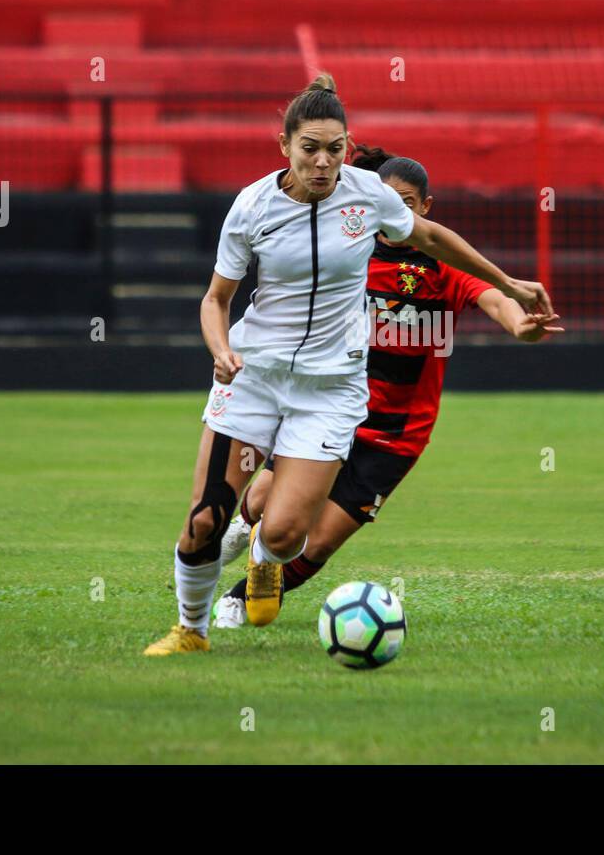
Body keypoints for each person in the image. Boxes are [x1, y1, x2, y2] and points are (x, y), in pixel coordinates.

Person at [144, 75, 553, 655]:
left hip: (330, 389)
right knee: (206, 520)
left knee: (286, 536)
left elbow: (432, 237)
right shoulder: (250, 207)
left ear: (347, 147)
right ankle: (191, 631)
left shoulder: (367, 194)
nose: (322, 161)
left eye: (335, 149)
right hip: (254, 380)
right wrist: (220, 350)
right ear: (284, 144)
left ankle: (264, 560)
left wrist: (507, 282)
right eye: (310, 147)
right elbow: (216, 299)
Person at [210, 145, 564, 628]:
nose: (396, 212)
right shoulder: (351, 256)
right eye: (388, 200)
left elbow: (495, 299)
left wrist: (523, 325)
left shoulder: (446, 268)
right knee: (259, 501)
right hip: (330, 407)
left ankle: (239, 595)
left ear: (424, 209)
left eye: (409, 203)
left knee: (323, 540)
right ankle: (241, 531)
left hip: (395, 435)